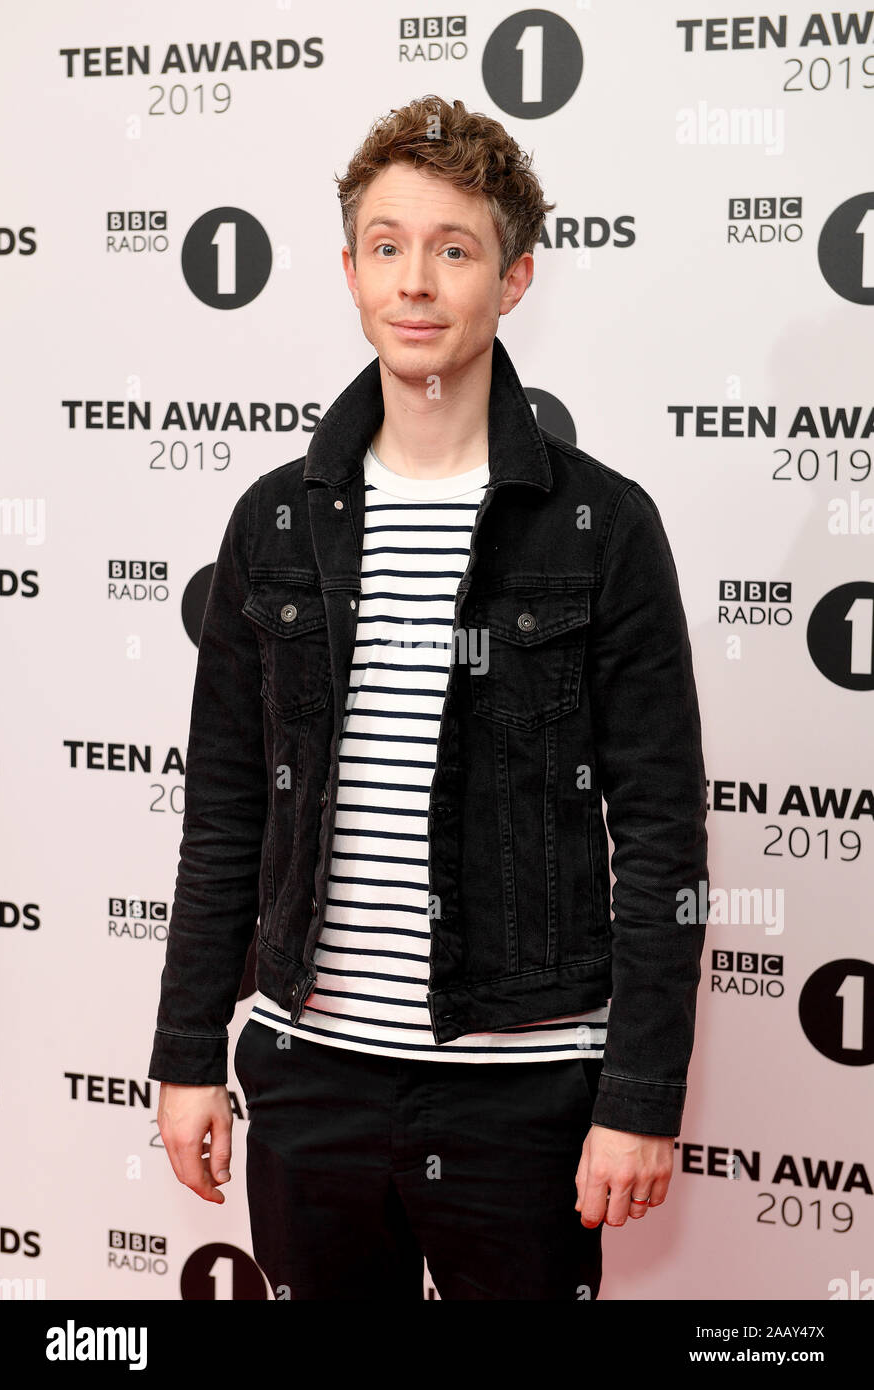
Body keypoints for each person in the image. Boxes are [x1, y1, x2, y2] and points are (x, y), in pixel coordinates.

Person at [149, 93, 709, 1301]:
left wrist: (639, 1098)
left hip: (524, 1095)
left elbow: (663, 833)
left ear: (510, 280)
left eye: (453, 249)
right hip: (308, 1079)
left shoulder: (598, 526)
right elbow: (224, 814)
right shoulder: (275, 522)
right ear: (350, 270)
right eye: (389, 247)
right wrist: (189, 1051)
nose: (417, 282)